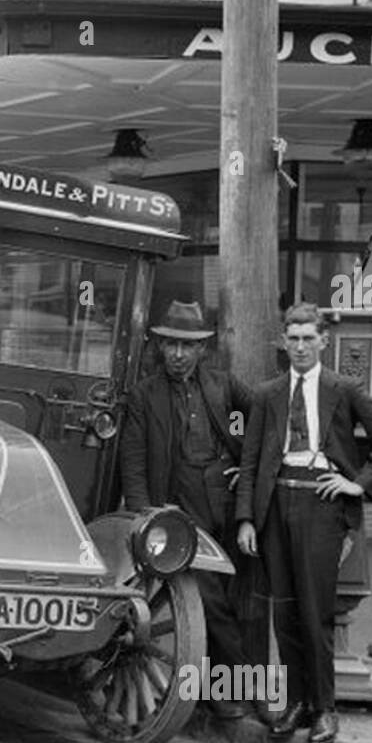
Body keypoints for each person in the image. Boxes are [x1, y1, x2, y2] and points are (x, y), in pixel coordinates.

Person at [235, 303, 372, 743]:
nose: (300, 347)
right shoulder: (267, 394)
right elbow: (251, 462)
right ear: (283, 342)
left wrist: (356, 484)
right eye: (292, 338)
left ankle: (325, 709)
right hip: (275, 508)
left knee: (316, 612)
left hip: (321, 507)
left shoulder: (343, 389)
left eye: (308, 338)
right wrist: (247, 520)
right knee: (285, 612)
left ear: (323, 341)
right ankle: (295, 704)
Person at [119, 300, 260, 720]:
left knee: (237, 601)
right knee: (210, 601)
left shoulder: (223, 387)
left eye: (188, 346)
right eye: (172, 345)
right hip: (180, 512)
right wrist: (147, 518)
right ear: (161, 347)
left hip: (229, 505)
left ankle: (215, 689)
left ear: (202, 349)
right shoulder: (145, 396)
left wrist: (247, 470)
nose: (179, 354)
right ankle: (237, 691)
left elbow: (260, 420)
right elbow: (133, 461)